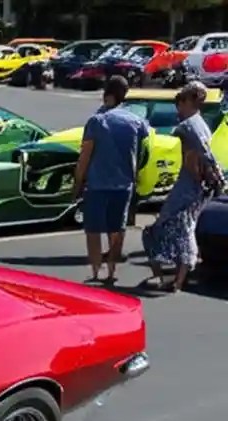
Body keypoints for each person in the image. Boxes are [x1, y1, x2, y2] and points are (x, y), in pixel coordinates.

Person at [141, 81, 223, 292]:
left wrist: (209, 173)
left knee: (164, 230)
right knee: (183, 227)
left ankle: (170, 277)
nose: (178, 109)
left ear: (187, 101)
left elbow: (200, 155)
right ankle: (177, 277)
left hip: (188, 187)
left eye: (180, 104)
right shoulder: (201, 124)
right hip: (198, 188)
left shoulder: (188, 127)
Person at [72, 75, 151, 284]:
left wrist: (78, 182)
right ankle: (112, 271)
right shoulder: (135, 121)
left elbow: (85, 156)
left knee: (93, 229)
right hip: (124, 184)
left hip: (97, 184)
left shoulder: (97, 121)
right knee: (117, 228)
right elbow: (143, 150)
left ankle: (96, 271)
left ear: (107, 94)